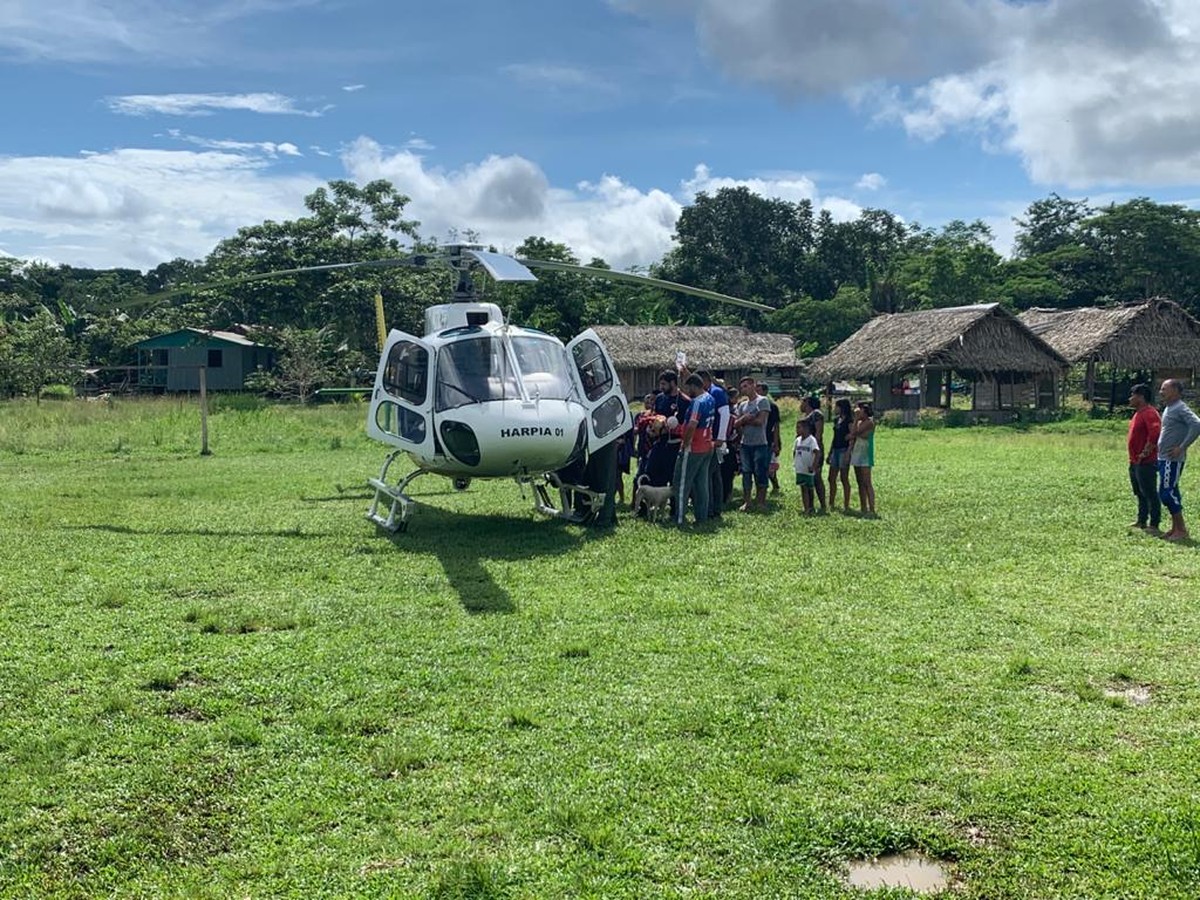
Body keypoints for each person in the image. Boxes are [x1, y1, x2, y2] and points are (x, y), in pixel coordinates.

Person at [1157, 378, 1200, 542]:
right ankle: (1175, 528)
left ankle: (1181, 529)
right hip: (1164, 458)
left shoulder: (1181, 408)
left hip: (1171, 459)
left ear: (1175, 391)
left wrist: (1182, 447)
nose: (1161, 392)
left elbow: (1197, 425)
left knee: (1166, 493)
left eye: (1164, 389)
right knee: (1171, 491)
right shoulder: (1170, 408)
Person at [676, 373, 715, 525]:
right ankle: (701, 517)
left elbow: (692, 424)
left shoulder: (697, 402)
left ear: (693, 386)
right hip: (707, 444)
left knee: (682, 483)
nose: (688, 391)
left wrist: (685, 443)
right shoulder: (710, 398)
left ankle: (680, 518)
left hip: (694, 447)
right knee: (701, 484)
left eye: (688, 388)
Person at [1127, 383, 1162, 533]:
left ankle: (1154, 524)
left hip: (1145, 462)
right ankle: (1141, 520)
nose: (1130, 398)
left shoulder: (1149, 413)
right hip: (1134, 461)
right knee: (1140, 492)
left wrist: (1145, 452)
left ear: (1141, 397)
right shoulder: (1138, 413)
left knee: (1150, 493)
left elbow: (1155, 434)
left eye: (1133, 395)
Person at [734, 375, 772, 512]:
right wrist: (745, 418)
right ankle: (747, 501)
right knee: (746, 473)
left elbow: (760, 421)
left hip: (760, 443)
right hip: (745, 443)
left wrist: (745, 421)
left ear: (753, 385)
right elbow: (736, 423)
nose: (744, 389)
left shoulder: (762, 401)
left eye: (746, 386)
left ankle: (761, 501)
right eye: (742, 387)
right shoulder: (742, 405)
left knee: (760, 472)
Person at [698, 369, 730, 519]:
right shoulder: (708, 393)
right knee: (714, 475)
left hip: (714, 440)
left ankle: (710, 509)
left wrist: (721, 437)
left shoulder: (716, 392)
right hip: (711, 439)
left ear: (704, 380)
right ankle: (715, 508)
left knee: (709, 475)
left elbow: (725, 414)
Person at [799, 395, 828, 513]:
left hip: (813, 449)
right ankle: (809, 505)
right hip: (804, 450)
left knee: (816, 477)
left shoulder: (816, 414)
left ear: (808, 402)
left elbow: (818, 434)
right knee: (806, 477)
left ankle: (822, 505)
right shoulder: (807, 416)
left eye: (802, 402)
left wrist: (815, 449)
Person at [848, 401, 876, 517]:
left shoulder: (869, 422)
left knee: (867, 481)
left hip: (866, 453)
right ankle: (863, 506)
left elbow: (855, 432)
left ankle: (872, 508)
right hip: (857, 452)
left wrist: (855, 420)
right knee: (860, 481)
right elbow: (854, 433)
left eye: (860, 411)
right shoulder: (859, 422)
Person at [827, 398, 854, 512]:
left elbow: (852, 437)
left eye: (836, 406)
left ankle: (846, 504)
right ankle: (831, 502)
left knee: (844, 478)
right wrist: (830, 452)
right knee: (831, 478)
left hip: (844, 450)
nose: (835, 408)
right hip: (836, 449)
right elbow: (835, 437)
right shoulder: (836, 420)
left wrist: (849, 452)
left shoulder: (849, 420)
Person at [758, 384, 783, 494]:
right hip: (757, 438)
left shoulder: (772, 407)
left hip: (769, 438)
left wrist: (776, 442)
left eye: (759, 390)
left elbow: (776, 426)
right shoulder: (755, 405)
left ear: (765, 391)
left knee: (769, 465)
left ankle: (774, 484)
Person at [793, 417, 819, 515]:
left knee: (809, 488)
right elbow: (794, 452)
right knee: (803, 488)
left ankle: (811, 507)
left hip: (808, 469)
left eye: (799, 427)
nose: (797, 429)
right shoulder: (798, 440)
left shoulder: (811, 440)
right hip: (800, 468)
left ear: (806, 428)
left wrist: (814, 466)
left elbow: (817, 453)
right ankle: (806, 508)